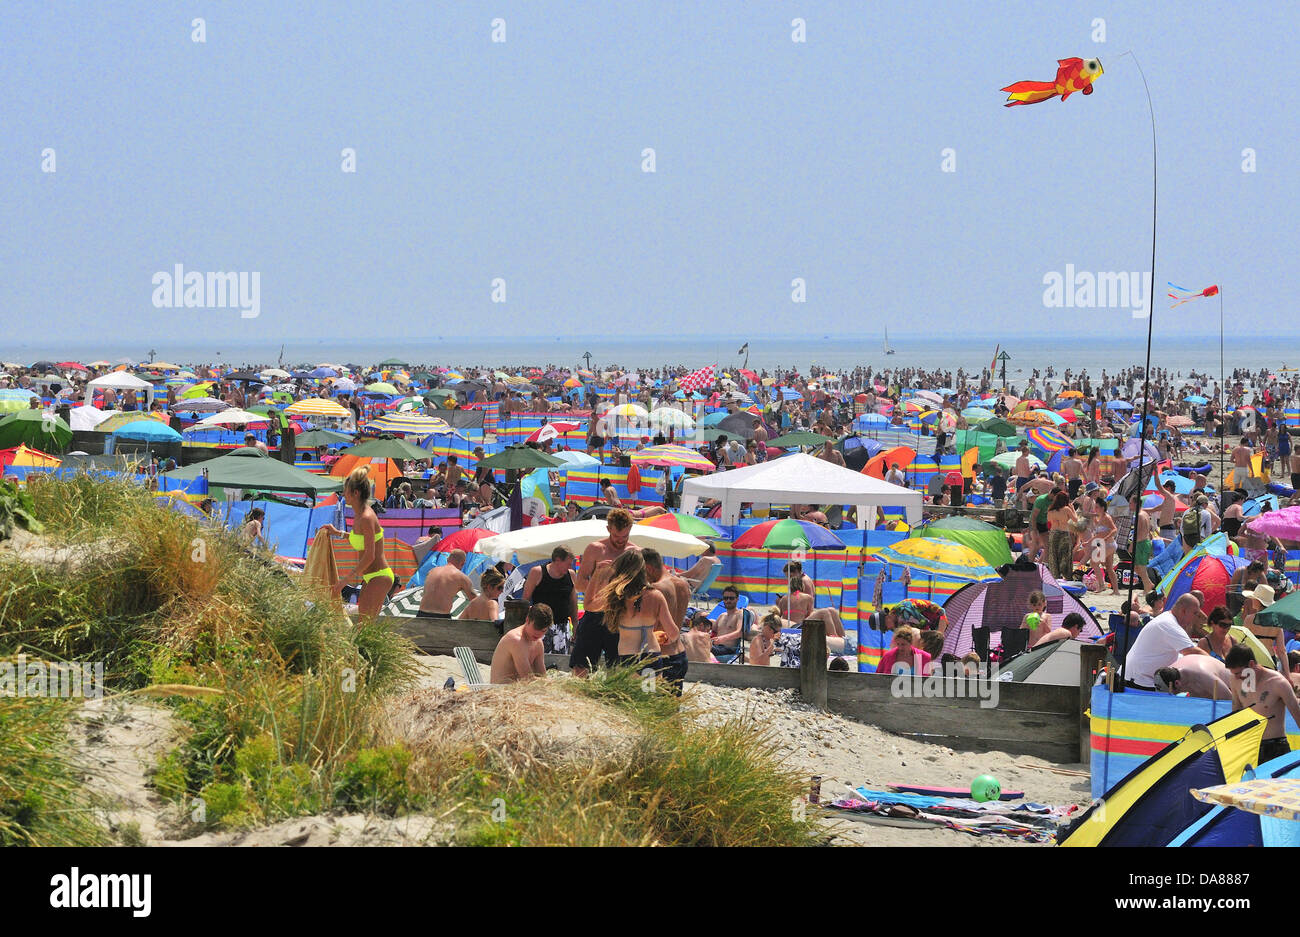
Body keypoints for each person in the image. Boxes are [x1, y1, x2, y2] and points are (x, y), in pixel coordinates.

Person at [317, 467, 395, 619]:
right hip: (370, 576)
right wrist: (338, 533)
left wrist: (344, 581)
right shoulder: (359, 515)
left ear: (356, 493)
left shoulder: (366, 517)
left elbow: (370, 556)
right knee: (363, 624)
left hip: (380, 576)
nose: (344, 495)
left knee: (365, 624)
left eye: (346, 491)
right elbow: (360, 539)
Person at [569, 509, 640, 677]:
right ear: (608, 529)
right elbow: (579, 584)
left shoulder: (634, 552)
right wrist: (603, 588)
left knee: (618, 669)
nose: (621, 541)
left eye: (625, 536)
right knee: (581, 667)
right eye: (616, 536)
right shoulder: (596, 549)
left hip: (620, 617)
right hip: (595, 614)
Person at [598, 549, 679, 674]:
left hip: (627, 655)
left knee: (632, 694)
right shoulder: (656, 595)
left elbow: (588, 604)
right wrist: (666, 638)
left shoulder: (615, 596)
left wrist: (599, 573)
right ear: (643, 569)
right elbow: (673, 633)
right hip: (652, 654)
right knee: (650, 693)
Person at [1227, 643, 1300, 765]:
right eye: (1234, 673)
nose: (1237, 677)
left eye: (1239, 673)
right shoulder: (1235, 680)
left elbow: (1298, 716)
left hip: (1275, 747)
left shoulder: (1278, 682)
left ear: (1251, 664)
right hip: (1250, 746)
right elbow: (1236, 713)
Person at [1123, 594, 1211, 690]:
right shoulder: (1169, 624)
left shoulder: (1168, 619)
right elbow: (1192, 652)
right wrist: (1220, 668)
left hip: (1140, 677)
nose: (1195, 618)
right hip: (1139, 682)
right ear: (1183, 611)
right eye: (1194, 613)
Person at [642, 548, 691, 694]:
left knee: (647, 703)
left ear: (648, 569)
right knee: (672, 708)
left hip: (659, 658)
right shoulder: (682, 585)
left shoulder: (656, 590)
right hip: (680, 654)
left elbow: (651, 627)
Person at [523, 546, 578, 654]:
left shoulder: (571, 575)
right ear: (557, 560)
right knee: (538, 660)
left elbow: (573, 603)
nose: (569, 566)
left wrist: (575, 625)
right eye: (567, 563)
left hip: (562, 627)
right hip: (539, 626)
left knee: (560, 663)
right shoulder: (538, 572)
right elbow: (525, 601)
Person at [489, 603, 550, 684]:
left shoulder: (538, 643)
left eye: (543, 631)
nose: (538, 634)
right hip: (500, 691)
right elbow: (527, 679)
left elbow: (542, 676)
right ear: (527, 620)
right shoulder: (516, 640)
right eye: (535, 628)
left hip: (518, 692)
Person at [417, 548, 478, 618]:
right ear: (463, 564)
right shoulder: (461, 577)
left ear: (447, 559)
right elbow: (475, 601)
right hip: (441, 616)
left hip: (421, 614)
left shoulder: (432, 571)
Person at [1154, 655, 1233, 701]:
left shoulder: (1203, 676)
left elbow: (1229, 699)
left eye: (1172, 693)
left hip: (1234, 685)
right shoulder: (1168, 672)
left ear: (1177, 683)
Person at [711, 585, 753, 658]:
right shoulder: (721, 615)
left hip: (728, 649)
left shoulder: (740, 614)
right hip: (716, 647)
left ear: (737, 599)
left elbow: (740, 632)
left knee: (702, 648)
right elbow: (712, 630)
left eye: (731, 598)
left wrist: (722, 638)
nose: (728, 601)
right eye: (725, 598)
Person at [1045, 490, 1078, 581]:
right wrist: (1073, 509)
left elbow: (1048, 521)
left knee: (1053, 555)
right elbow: (1075, 520)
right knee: (1065, 555)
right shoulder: (1066, 509)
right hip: (1064, 533)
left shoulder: (1050, 510)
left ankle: (1055, 576)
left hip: (1053, 533)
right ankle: (1067, 576)